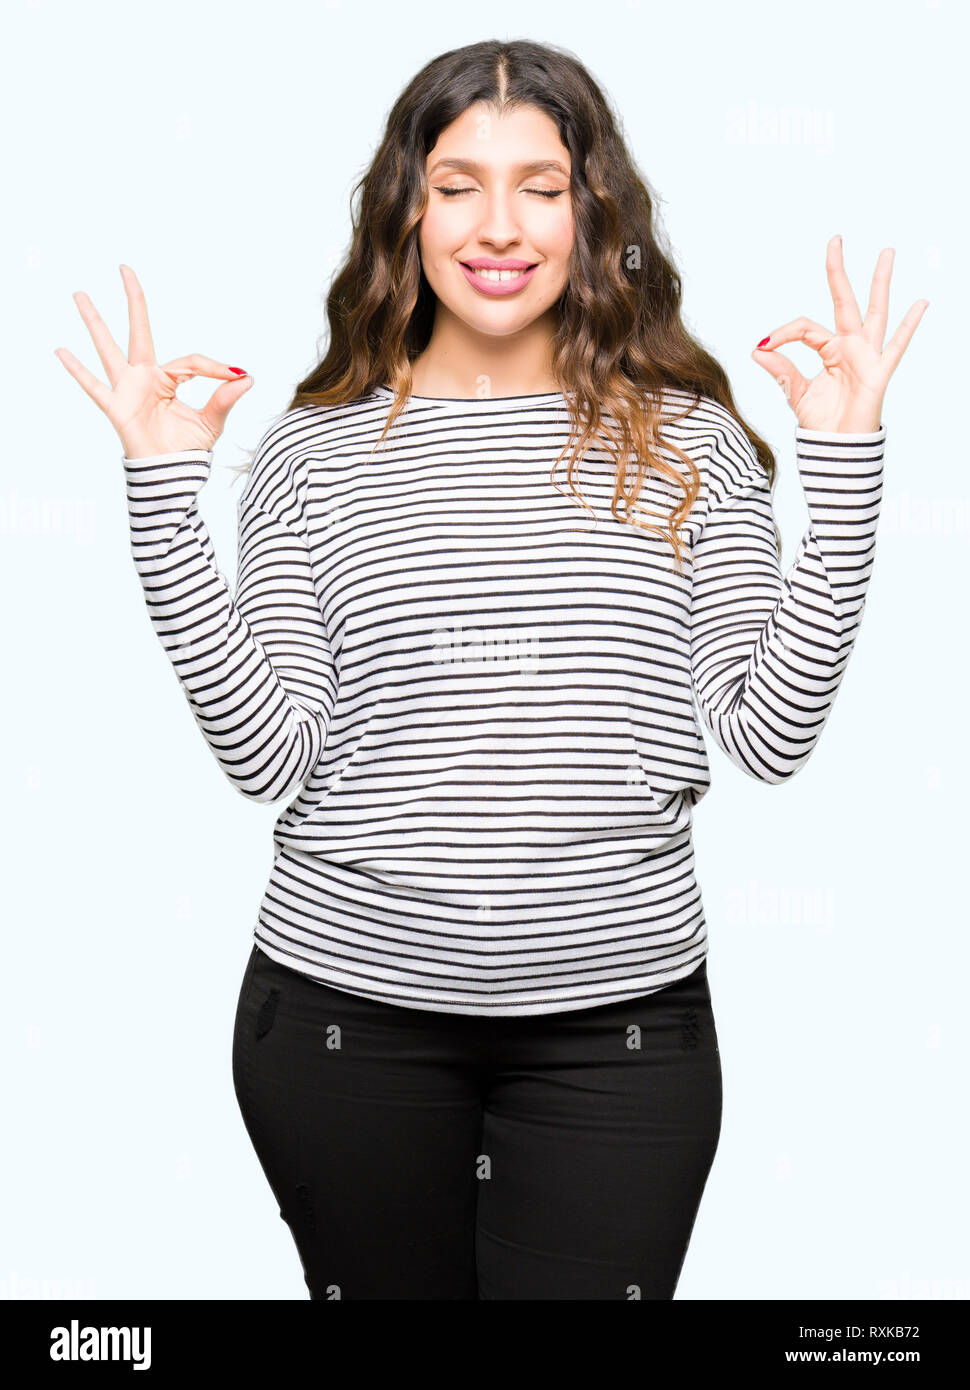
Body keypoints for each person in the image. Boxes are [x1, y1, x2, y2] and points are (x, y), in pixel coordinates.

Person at [55, 39, 926, 1301]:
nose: (498, 225)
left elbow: (766, 734)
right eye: (457, 184)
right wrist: (160, 497)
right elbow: (267, 756)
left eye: (541, 184)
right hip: (344, 1022)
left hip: (616, 1036)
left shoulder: (695, 447)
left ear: (593, 212)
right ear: (406, 210)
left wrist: (845, 457)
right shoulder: (311, 455)